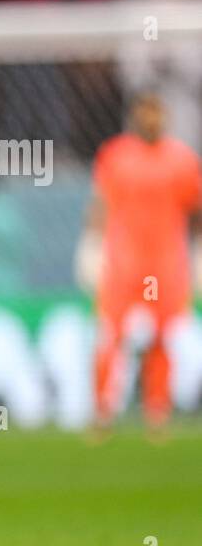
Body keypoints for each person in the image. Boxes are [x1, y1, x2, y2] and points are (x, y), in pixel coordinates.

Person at [77, 92, 202, 432]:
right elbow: (100, 204)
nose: (151, 121)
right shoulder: (116, 157)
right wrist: (91, 245)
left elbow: (195, 213)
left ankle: (157, 412)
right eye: (145, 114)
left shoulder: (183, 160)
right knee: (110, 335)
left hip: (165, 266)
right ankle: (102, 410)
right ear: (134, 117)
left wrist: (198, 251)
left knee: (163, 337)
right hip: (123, 265)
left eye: (156, 114)